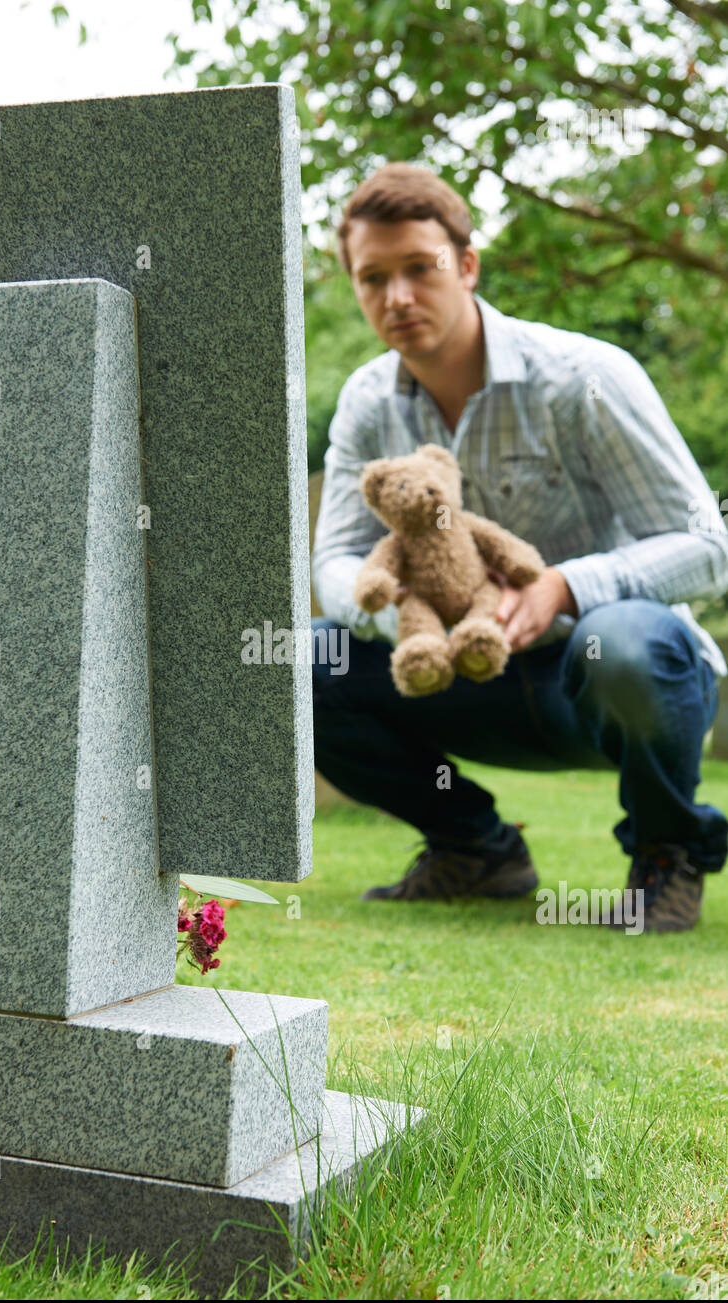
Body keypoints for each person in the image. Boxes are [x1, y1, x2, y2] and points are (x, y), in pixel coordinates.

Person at [311, 162, 728, 931]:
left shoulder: (585, 378)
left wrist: (562, 588)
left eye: (418, 269)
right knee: (307, 664)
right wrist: (405, 613)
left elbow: (710, 547)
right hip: (460, 676)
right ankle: (475, 849)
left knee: (627, 640)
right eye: (373, 278)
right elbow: (332, 561)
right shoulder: (366, 402)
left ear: (467, 266)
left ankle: (665, 859)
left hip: (599, 678)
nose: (396, 297)